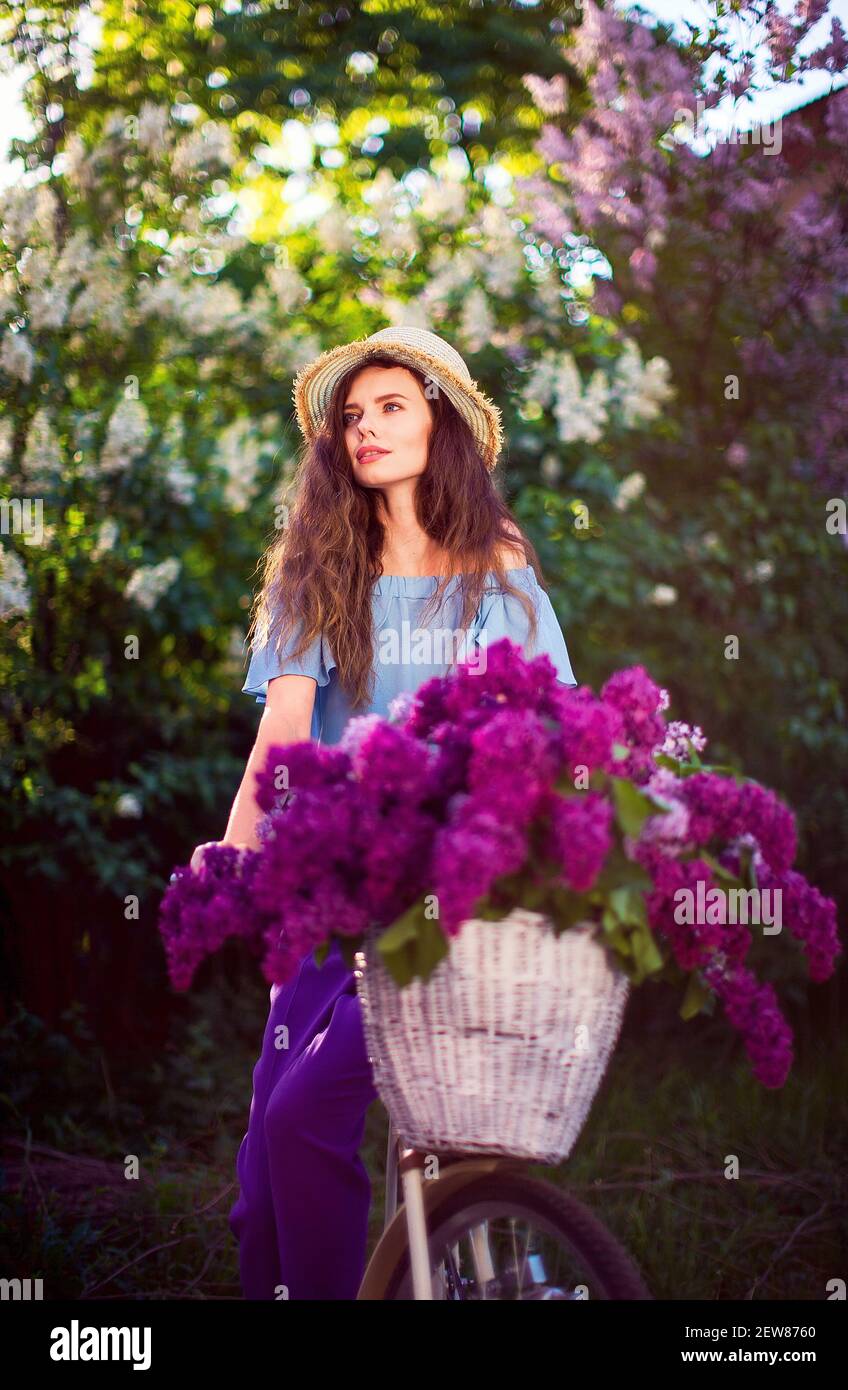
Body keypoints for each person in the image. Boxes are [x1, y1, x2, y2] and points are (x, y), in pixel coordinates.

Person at [189, 325, 578, 1299]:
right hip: (326, 896)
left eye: (390, 406)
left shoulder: (496, 565)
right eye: (351, 417)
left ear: (438, 418)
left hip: (447, 898)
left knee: (301, 1115)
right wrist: (232, 852)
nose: (364, 428)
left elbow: (546, 727)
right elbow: (282, 735)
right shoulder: (315, 572)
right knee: (260, 1184)